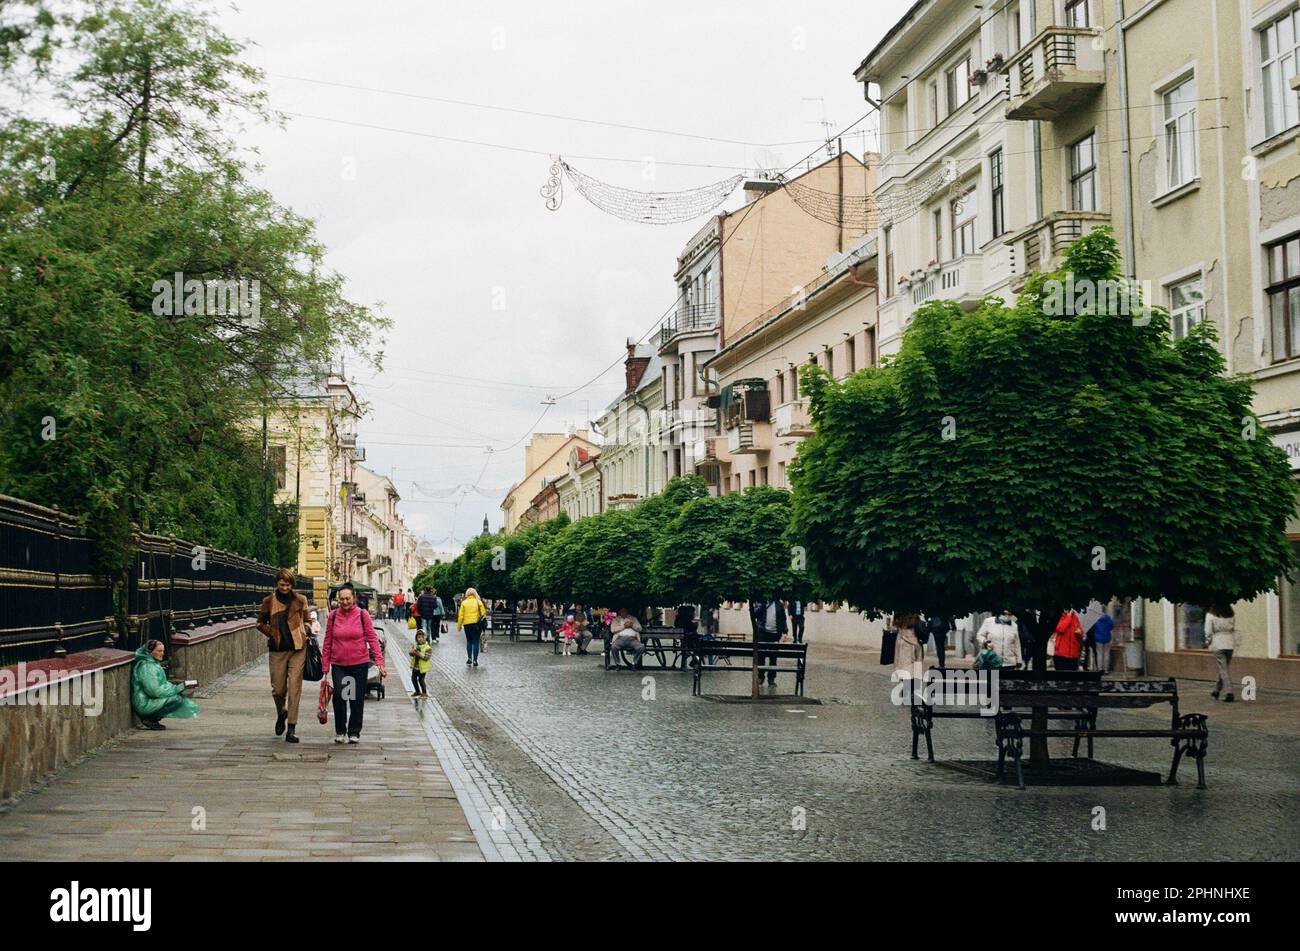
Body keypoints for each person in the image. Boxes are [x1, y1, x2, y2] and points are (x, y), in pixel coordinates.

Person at [323, 582, 386, 744]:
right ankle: (340, 730)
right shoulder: (334, 616)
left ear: (354, 598)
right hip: (339, 664)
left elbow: (372, 637)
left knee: (356, 698)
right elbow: (327, 640)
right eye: (341, 599)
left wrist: (379, 661)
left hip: (359, 663)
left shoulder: (362, 615)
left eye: (347, 599)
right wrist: (325, 665)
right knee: (340, 697)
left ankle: (354, 731)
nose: (344, 602)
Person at [257, 568, 312, 743]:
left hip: (298, 649)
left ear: (292, 585)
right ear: (277, 584)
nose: (285, 588)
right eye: (282, 584)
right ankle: (282, 713)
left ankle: (292, 728)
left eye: (288, 584)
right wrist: (272, 632)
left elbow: (308, 620)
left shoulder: (300, 600)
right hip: (277, 650)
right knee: (278, 689)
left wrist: (306, 630)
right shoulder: (269, 601)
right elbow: (259, 622)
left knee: (295, 687)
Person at [132, 640, 200, 729]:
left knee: (178, 698)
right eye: (159, 651)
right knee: (176, 700)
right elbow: (154, 690)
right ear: (150, 652)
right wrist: (175, 689)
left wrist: (178, 688)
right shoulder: (148, 667)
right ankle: (150, 719)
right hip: (144, 702)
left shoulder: (153, 664)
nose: (162, 653)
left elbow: (162, 684)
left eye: (163, 651)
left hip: (149, 699)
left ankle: (152, 719)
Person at [1206, 605, 1240, 702]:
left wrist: (1208, 641)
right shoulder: (1231, 614)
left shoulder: (1211, 615)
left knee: (1223, 669)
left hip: (1218, 643)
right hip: (1229, 643)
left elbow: (1208, 631)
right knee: (1223, 668)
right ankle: (1216, 690)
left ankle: (1229, 692)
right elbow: (1233, 628)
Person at [458, 586, 489, 667]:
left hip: (467, 624)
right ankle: (475, 660)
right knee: (475, 642)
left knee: (469, 641)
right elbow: (483, 614)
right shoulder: (478, 602)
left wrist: (459, 626)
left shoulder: (464, 603)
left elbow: (461, 616)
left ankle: (469, 658)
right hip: (476, 624)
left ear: (467, 594)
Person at [892, 612, 925, 681]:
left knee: (904, 664)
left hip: (903, 639)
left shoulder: (899, 613)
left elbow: (895, 626)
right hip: (913, 639)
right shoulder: (915, 615)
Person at [1089, 607, 1115, 673]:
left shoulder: (1096, 619)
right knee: (1106, 653)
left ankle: (1100, 669)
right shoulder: (1108, 618)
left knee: (1099, 653)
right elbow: (1112, 626)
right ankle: (1106, 669)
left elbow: (1092, 627)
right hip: (1107, 638)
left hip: (1098, 638)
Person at [409, 630, 431, 698]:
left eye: (422, 637)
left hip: (422, 668)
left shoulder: (427, 647)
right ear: (416, 638)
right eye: (419, 637)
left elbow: (426, 658)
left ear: (425, 638)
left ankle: (424, 693)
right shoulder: (415, 645)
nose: (420, 638)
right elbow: (411, 654)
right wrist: (412, 651)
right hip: (415, 666)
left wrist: (419, 654)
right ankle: (417, 691)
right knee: (413, 679)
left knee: (421, 680)